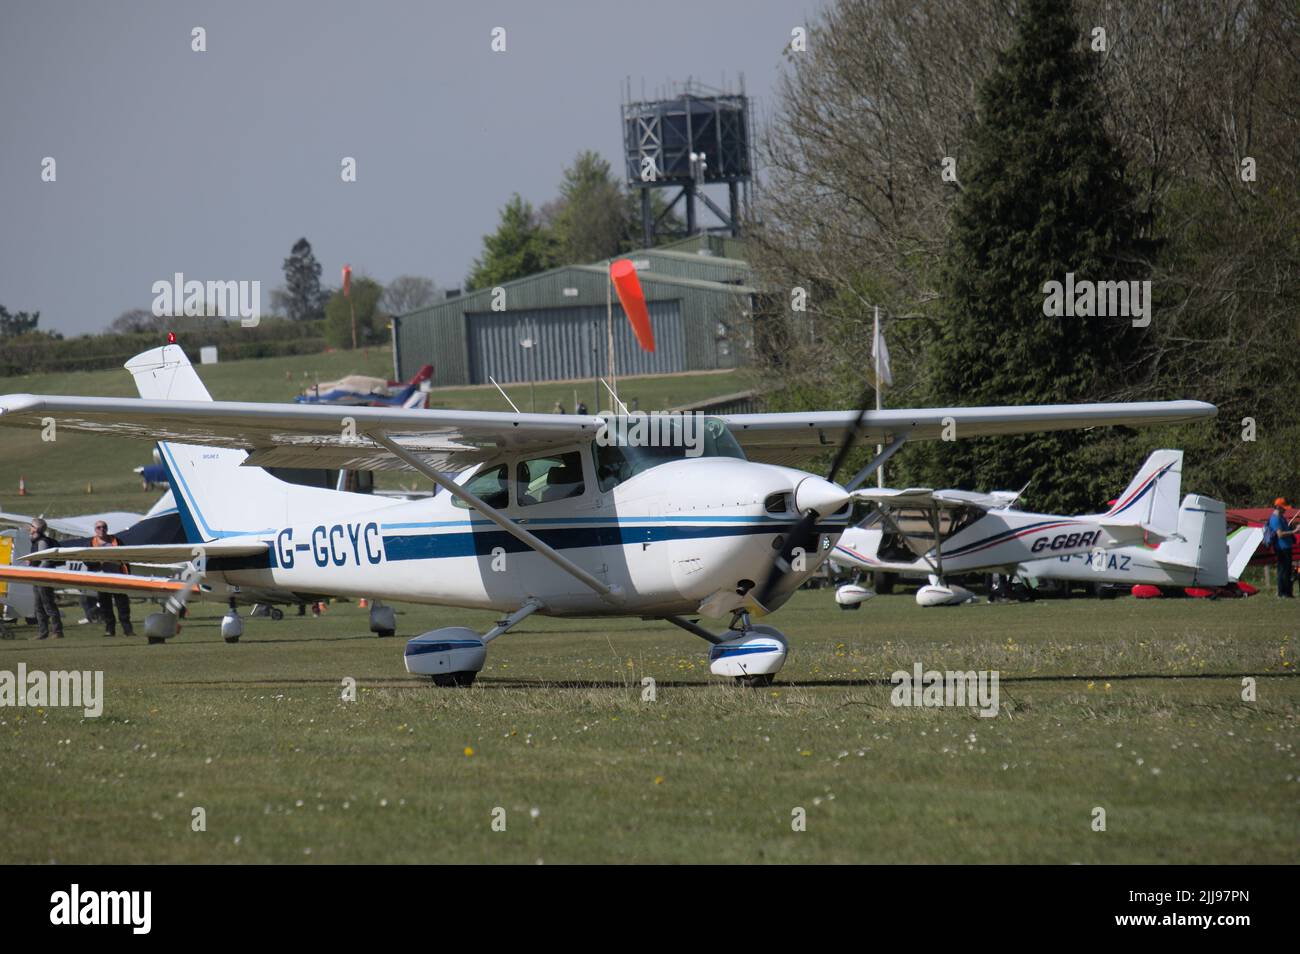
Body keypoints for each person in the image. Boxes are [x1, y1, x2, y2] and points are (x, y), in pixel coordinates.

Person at [91, 521, 134, 636]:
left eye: (104, 527)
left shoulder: (117, 541)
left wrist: (127, 574)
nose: (101, 529)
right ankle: (109, 629)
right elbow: (87, 561)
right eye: (98, 527)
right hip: (101, 578)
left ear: (107, 528)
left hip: (118, 576)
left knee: (123, 605)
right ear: (95, 530)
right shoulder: (91, 543)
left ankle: (128, 630)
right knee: (105, 606)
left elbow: (125, 557)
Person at [27, 518, 63, 640]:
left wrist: (38, 573)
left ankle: (57, 631)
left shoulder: (42, 542)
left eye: (31, 526)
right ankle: (43, 632)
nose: (29, 528)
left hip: (42, 578)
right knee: (38, 606)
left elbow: (45, 561)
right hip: (36, 578)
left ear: (36, 529)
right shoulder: (35, 541)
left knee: (48, 605)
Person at [1266, 498, 1295, 598]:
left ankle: (1287, 592)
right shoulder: (1275, 519)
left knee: (1287, 570)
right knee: (1282, 570)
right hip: (1281, 548)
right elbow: (1280, 534)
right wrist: (1294, 532)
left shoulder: (1281, 517)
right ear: (1278, 507)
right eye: (1284, 508)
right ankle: (1282, 593)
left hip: (1287, 547)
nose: (1285, 510)